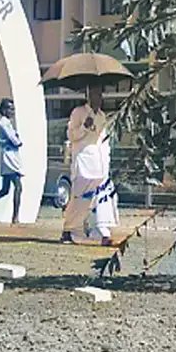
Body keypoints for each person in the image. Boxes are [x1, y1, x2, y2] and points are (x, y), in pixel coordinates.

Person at [61, 85, 117, 245]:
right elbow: (71, 136)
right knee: (79, 199)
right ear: (88, 96)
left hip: (100, 165)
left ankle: (103, 232)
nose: (97, 98)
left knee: (102, 198)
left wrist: (107, 161)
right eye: (94, 94)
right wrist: (84, 126)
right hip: (84, 164)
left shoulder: (102, 115)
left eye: (100, 95)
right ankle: (68, 229)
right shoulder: (78, 112)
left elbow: (103, 140)